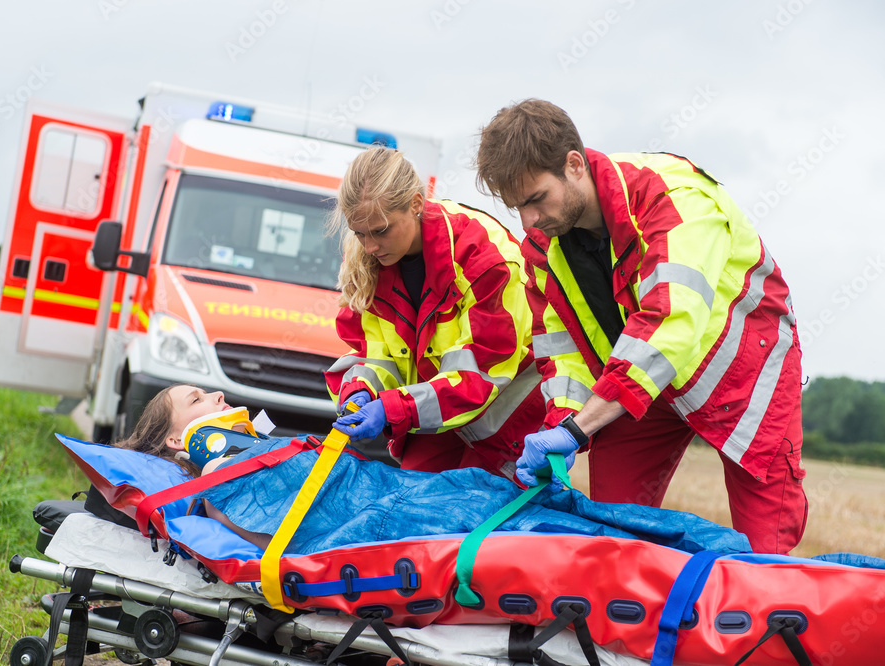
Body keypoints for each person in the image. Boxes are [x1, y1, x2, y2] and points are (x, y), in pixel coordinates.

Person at [475, 99, 807, 554]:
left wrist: (578, 430)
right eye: (518, 207)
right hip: (636, 384)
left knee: (766, 549)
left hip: (742, 374)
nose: (529, 221)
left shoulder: (672, 198)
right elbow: (565, 349)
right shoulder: (544, 247)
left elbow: (669, 323)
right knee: (611, 532)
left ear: (574, 164)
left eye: (536, 199)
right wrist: (562, 423)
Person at [115, 383, 751, 556]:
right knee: (575, 534)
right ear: (176, 439)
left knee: (569, 514)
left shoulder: (250, 454)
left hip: (426, 496)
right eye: (200, 402)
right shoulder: (220, 469)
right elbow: (283, 522)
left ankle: (726, 560)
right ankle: (726, 567)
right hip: (406, 519)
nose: (220, 400)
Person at [323, 146, 546, 480]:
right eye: (359, 233)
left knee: (475, 525)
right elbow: (375, 356)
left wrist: (394, 408)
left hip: (507, 427)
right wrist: (360, 391)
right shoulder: (370, 263)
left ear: (415, 203)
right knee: (409, 516)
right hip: (434, 419)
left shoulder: (482, 255)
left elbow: (483, 371)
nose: (369, 246)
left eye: (381, 231)